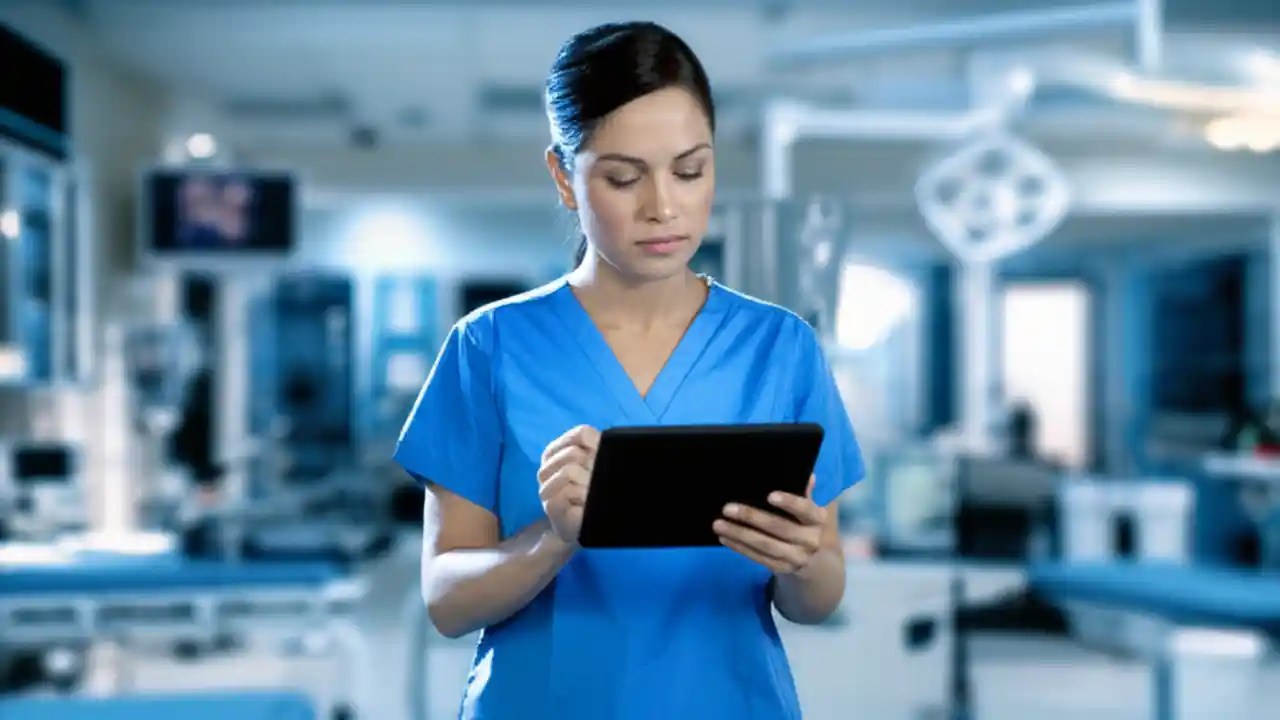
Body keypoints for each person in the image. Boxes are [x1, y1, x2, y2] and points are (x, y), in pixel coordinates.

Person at [394, 21, 864, 720]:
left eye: (690, 169)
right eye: (623, 177)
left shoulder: (779, 348)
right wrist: (553, 538)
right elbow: (446, 598)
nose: (663, 208)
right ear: (563, 177)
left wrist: (800, 559)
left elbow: (819, 598)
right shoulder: (490, 346)